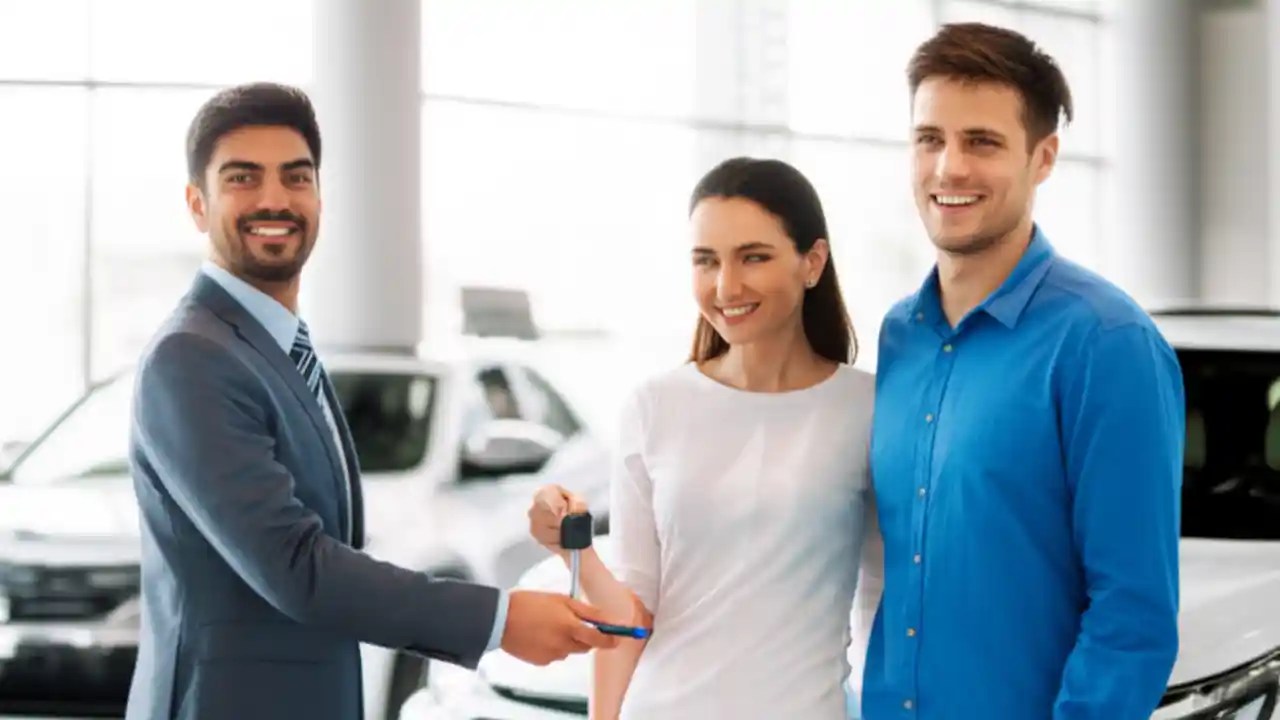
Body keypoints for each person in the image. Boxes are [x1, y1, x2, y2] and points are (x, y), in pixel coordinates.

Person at [125, 82, 616, 720]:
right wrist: (499, 620)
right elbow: (297, 564)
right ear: (198, 203)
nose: (274, 199)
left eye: (295, 177)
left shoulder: (280, 346)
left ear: (319, 199)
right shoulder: (191, 357)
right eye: (243, 178)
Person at [864, 23, 1184, 719]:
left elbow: (1133, 617)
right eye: (929, 139)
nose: (948, 168)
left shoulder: (1108, 344)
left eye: (981, 141)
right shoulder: (897, 337)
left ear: (1043, 158)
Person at [528, 157, 883, 719]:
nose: (726, 286)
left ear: (812, 261)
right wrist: (575, 552)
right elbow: (633, 607)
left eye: (754, 257)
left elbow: (879, 600)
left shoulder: (868, 408)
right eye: (706, 261)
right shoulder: (655, 406)